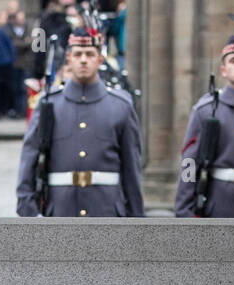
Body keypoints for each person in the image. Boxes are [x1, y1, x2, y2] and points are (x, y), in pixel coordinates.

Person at [15, 25, 144, 217]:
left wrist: (137, 220)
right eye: (78, 54)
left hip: (107, 211)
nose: (83, 60)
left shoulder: (120, 106)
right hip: (60, 211)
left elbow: (132, 170)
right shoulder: (49, 103)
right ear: (69, 59)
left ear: (100, 60)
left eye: (90, 54)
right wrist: (29, 211)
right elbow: (30, 159)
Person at [174, 30, 234, 218]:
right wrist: (184, 212)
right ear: (223, 70)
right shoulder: (206, 110)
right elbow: (189, 164)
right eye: (233, 60)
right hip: (221, 207)